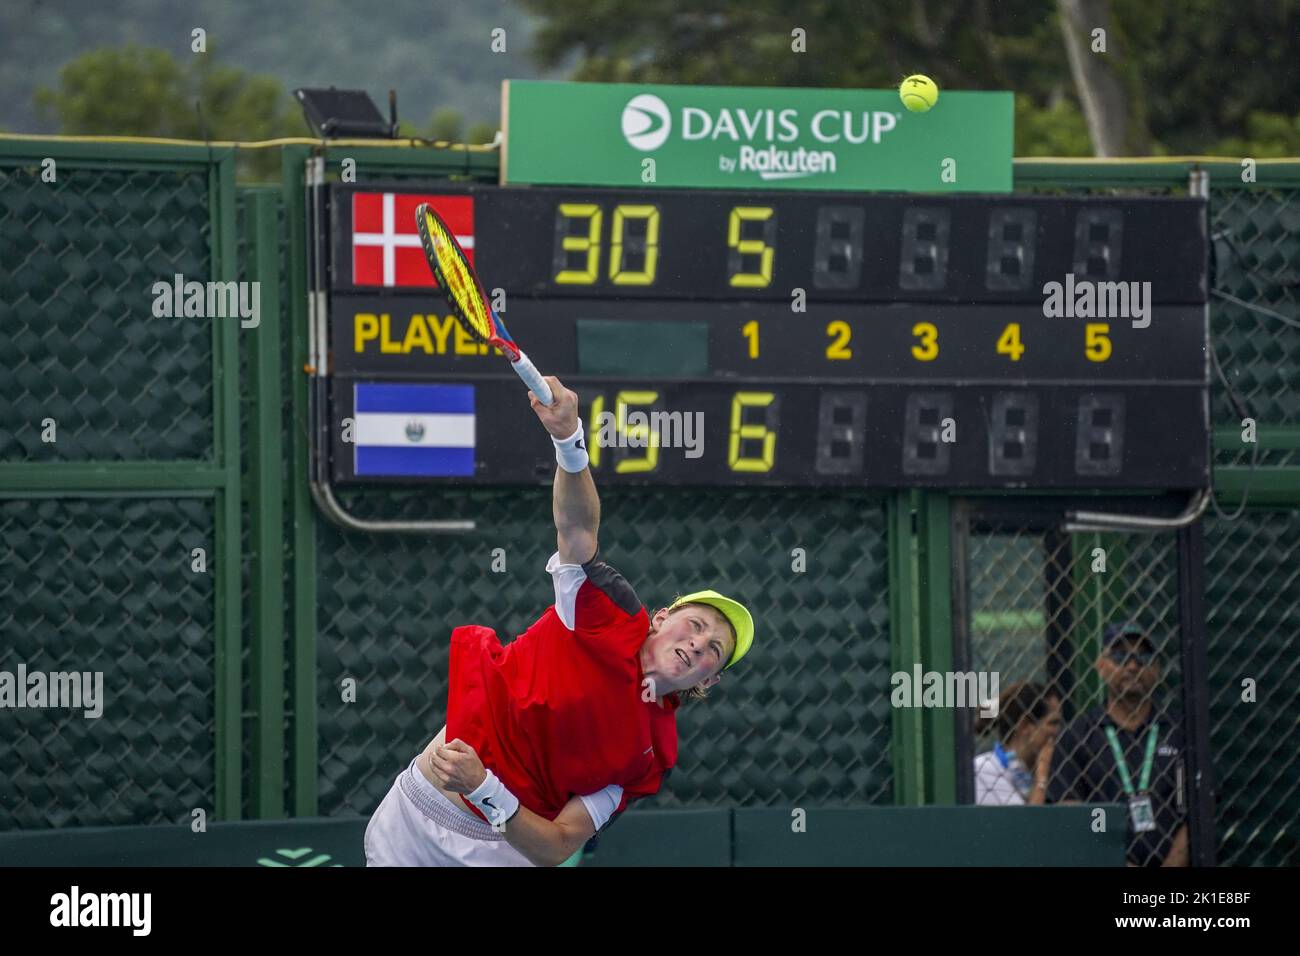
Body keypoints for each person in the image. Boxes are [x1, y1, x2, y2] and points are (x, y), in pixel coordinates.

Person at [364, 374, 755, 867]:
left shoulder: (650, 758)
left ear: (709, 679)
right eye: (696, 625)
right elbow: (576, 526)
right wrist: (569, 440)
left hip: (498, 852)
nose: (699, 644)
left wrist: (485, 788)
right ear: (661, 618)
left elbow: (558, 843)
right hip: (415, 812)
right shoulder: (604, 609)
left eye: (714, 650)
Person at [1046, 623, 1188, 866]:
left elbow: (1198, 812)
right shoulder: (1077, 735)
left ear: (1157, 668)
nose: (1133, 666)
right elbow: (1068, 810)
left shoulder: (1180, 731)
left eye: (1143, 657)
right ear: (1100, 666)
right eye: (1121, 656)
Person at [973, 682, 1062, 805]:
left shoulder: (1054, 771)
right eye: (1053, 723)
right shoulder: (982, 771)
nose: (1059, 731)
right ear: (1025, 726)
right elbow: (1029, 822)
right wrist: (1041, 779)